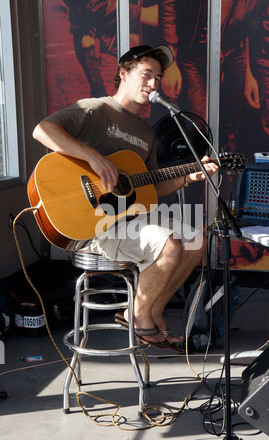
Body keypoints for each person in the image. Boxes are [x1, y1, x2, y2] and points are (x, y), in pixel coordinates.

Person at [32, 44, 218, 352]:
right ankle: (138, 315)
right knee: (170, 242)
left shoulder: (146, 133)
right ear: (124, 73)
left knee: (197, 240)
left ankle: (151, 311)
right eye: (146, 75)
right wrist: (93, 157)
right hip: (94, 223)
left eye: (158, 78)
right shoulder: (94, 109)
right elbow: (43, 130)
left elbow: (147, 187)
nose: (154, 84)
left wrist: (187, 176)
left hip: (125, 217)